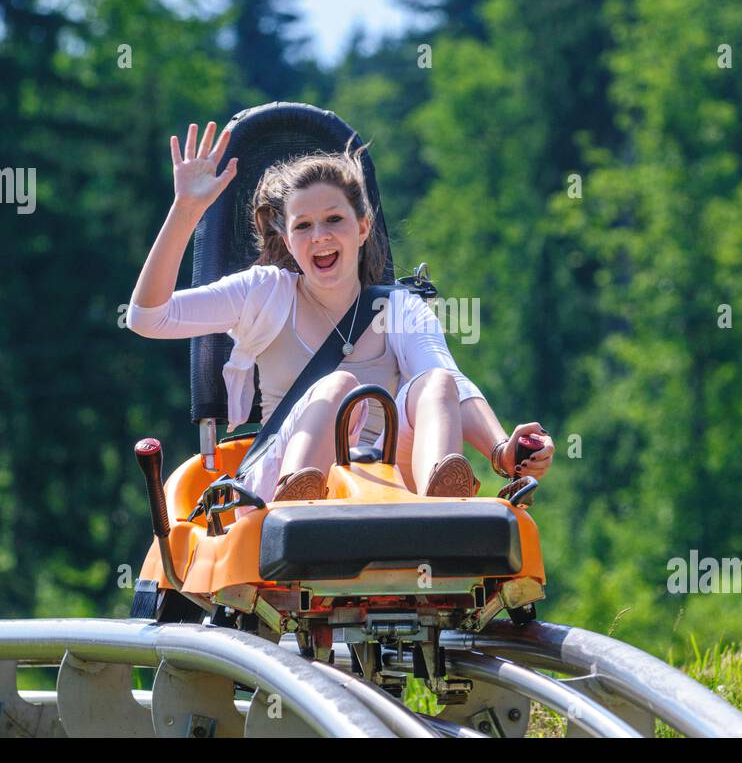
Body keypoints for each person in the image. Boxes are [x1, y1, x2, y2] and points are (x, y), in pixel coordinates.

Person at [127, 120, 555, 501]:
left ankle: (439, 514)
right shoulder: (266, 293)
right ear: (287, 238)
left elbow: (451, 383)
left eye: (334, 219)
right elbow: (147, 317)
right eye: (303, 226)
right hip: (274, 481)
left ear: (362, 227)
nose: (320, 237)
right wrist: (185, 212)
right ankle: (297, 511)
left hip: (385, 484)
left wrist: (503, 449)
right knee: (339, 387)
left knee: (437, 382)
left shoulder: (398, 308)